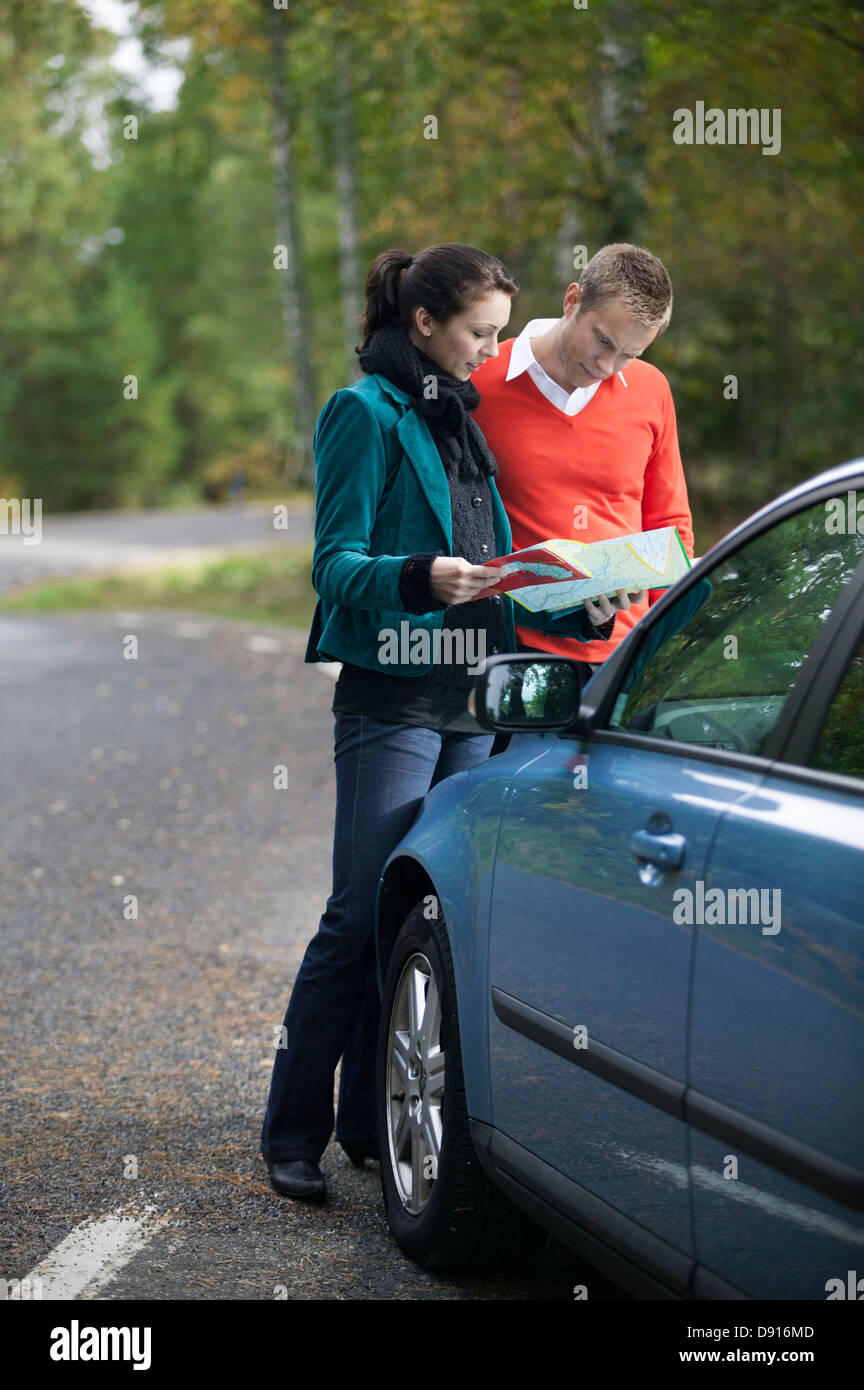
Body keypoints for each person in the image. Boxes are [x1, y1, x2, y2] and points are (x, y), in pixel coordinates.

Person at [259, 243, 631, 1203]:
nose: (490, 351)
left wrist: (570, 603)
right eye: (479, 333)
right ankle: (292, 1130)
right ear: (424, 323)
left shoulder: (460, 419)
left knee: (422, 916)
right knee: (356, 911)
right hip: (391, 694)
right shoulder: (362, 413)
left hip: (476, 696)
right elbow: (334, 567)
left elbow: (492, 576)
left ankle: (364, 1126)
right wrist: (418, 578)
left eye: (501, 334)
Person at [472, 242, 694, 697]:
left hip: (625, 657)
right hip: (514, 648)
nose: (607, 367)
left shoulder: (652, 390)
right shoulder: (480, 380)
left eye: (630, 355)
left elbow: (671, 524)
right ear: (572, 300)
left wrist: (654, 625)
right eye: (604, 341)